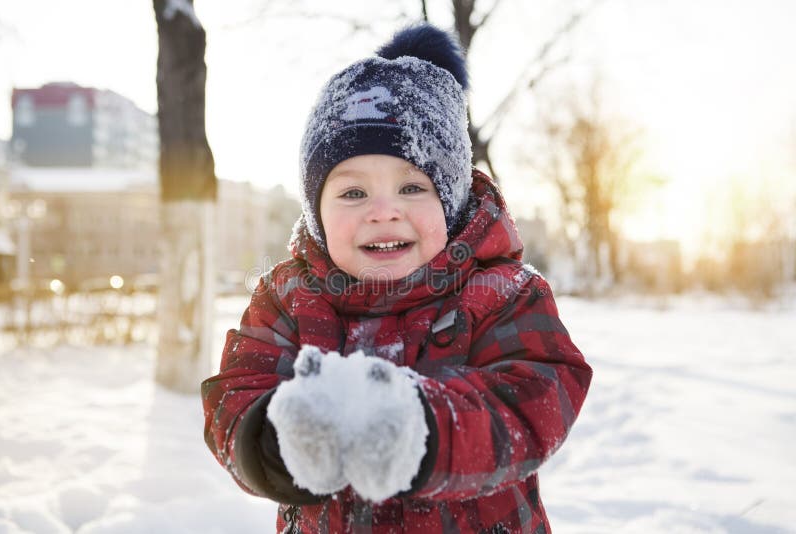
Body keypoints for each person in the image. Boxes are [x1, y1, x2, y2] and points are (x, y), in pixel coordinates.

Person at [202, 22, 592, 533]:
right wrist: (276, 443)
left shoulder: (501, 294)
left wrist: (424, 431)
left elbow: (537, 394)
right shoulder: (288, 299)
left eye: (412, 187)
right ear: (316, 211)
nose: (383, 212)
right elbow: (236, 392)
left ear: (450, 204)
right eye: (353, 193)